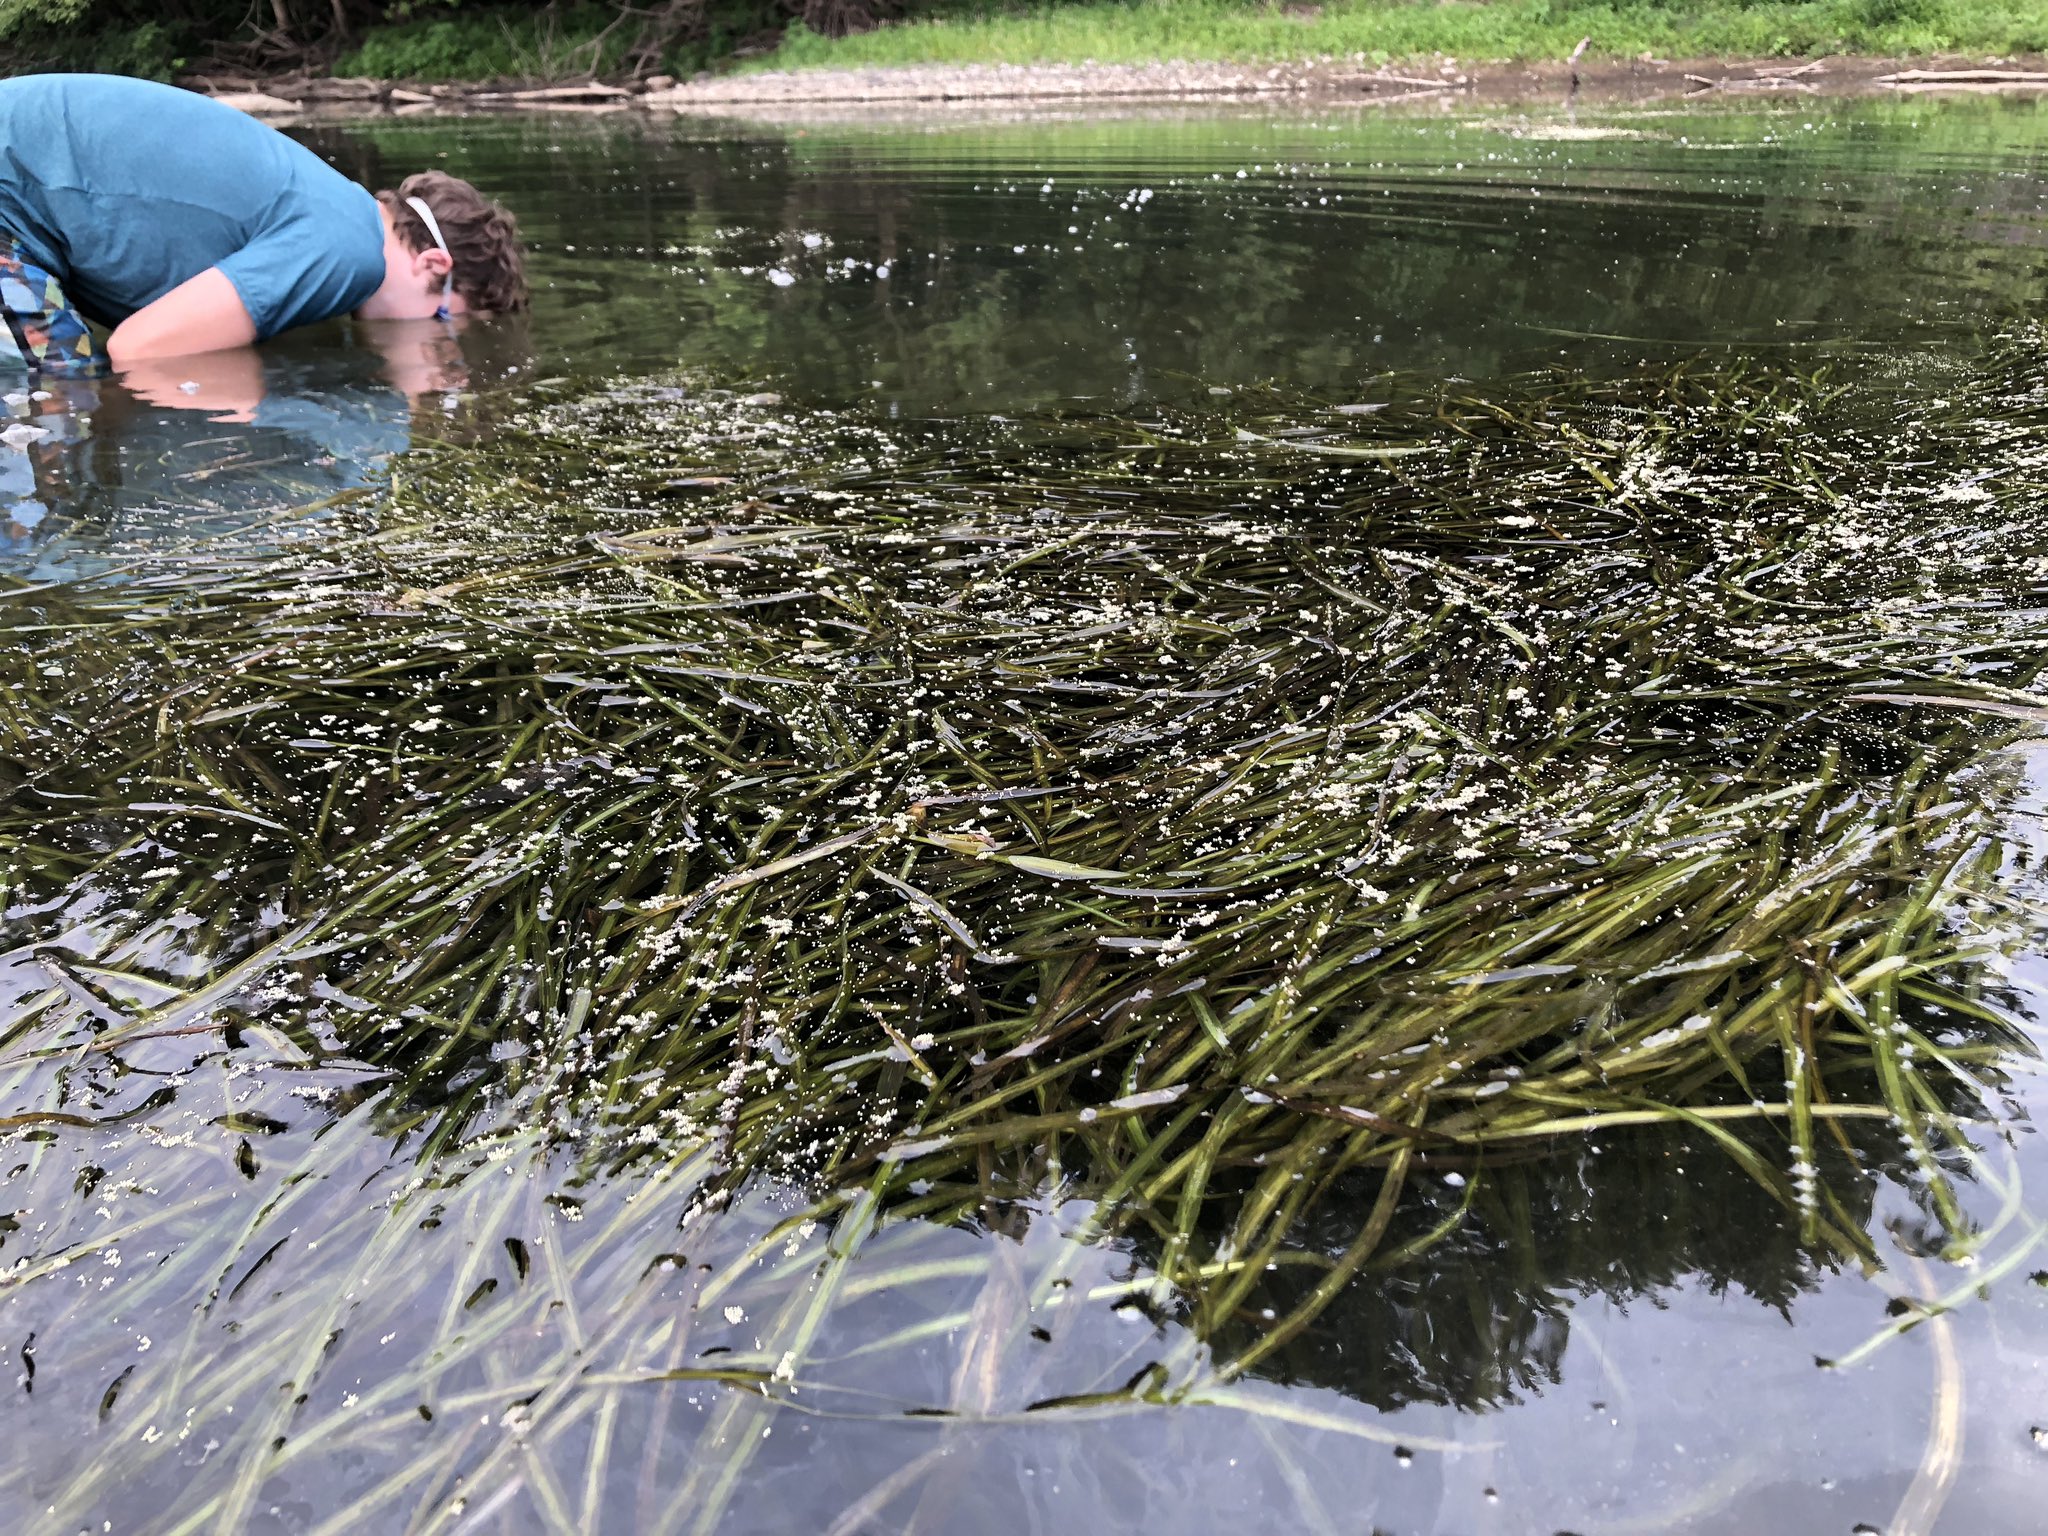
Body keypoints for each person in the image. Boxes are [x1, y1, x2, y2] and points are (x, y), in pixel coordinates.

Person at [0, 73, 527, 374]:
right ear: (434, 263)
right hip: (10, 206)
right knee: (64, 394)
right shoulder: (350, 253)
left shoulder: (337, 211)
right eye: (443, 321)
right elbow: (139, 348)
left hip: (25, 194)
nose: (434, 351)